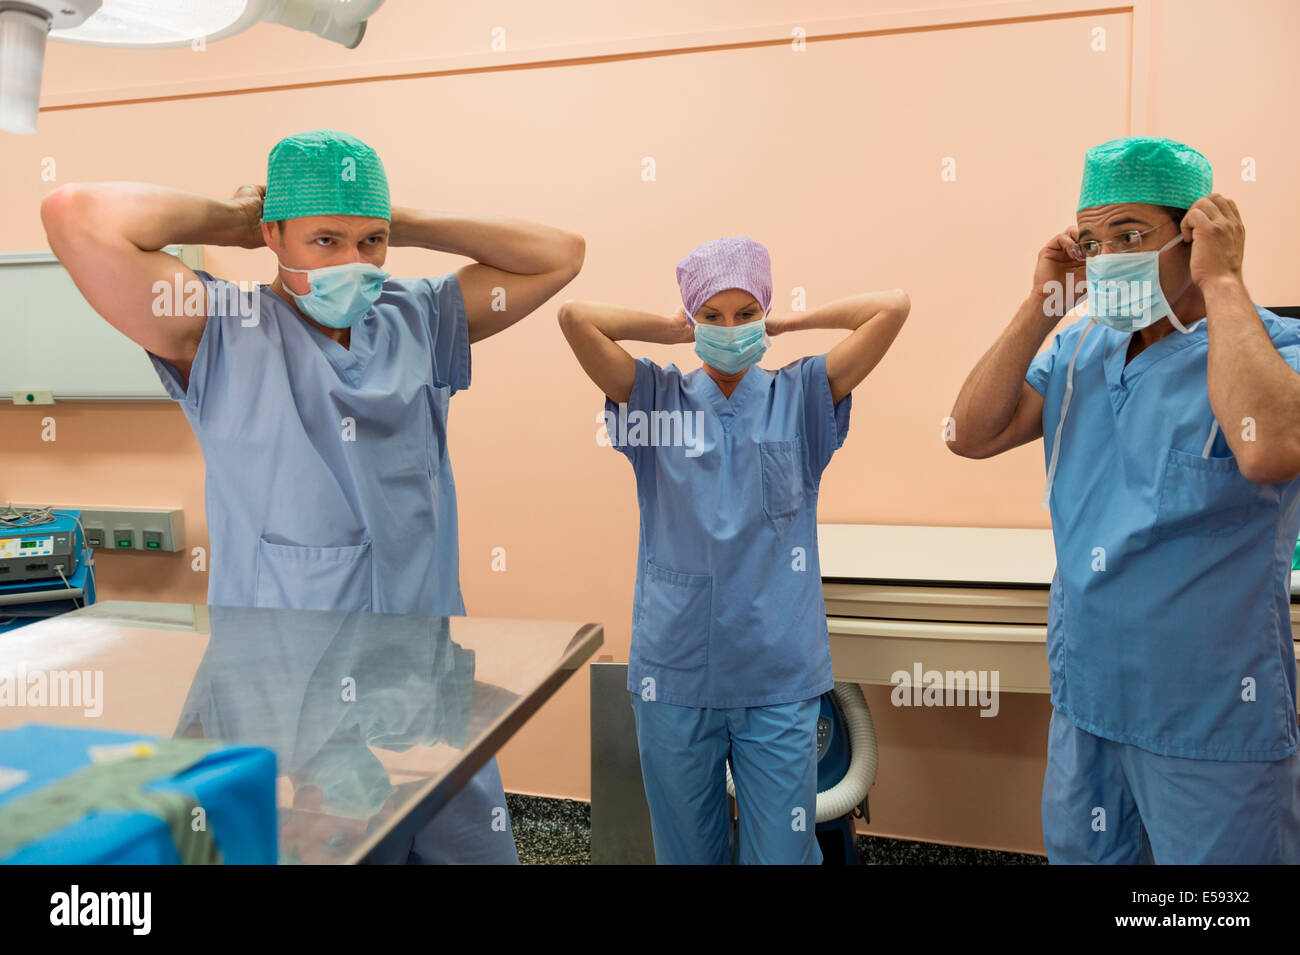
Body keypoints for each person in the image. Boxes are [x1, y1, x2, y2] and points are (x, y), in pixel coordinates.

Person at [40, 128, 585, 864]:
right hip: (281, 695)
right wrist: (231, 220)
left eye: (372, 242)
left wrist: (406, 221)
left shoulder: (416, 318)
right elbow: (76, 214)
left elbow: (561, 254)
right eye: (325, 239)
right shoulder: (217, 329)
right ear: (275, 236)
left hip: (418, 680)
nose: (353, 263)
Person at [948, 135, 1300, 863]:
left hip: (1208, 724)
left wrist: (1225, 284)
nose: (1107, 257)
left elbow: (1267, 448)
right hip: (1089, 703)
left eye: (1131, 235)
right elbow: (968, 433)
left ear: (1195, 234)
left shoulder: (1273, 349)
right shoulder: (1080, 353)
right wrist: (1041, 300)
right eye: (1090, 240)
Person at [560, 236, 908, 863]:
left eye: (745, 314)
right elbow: (575, 317)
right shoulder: (655, 401)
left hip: (776, 672)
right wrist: (672, 331)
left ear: (764, 315)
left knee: (782, 853)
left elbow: (893, 307)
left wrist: (789, 321)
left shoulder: (801, 396)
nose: (730, 330)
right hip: (676, 671)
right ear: (692, 320)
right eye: (712, 316)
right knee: (687, 852)